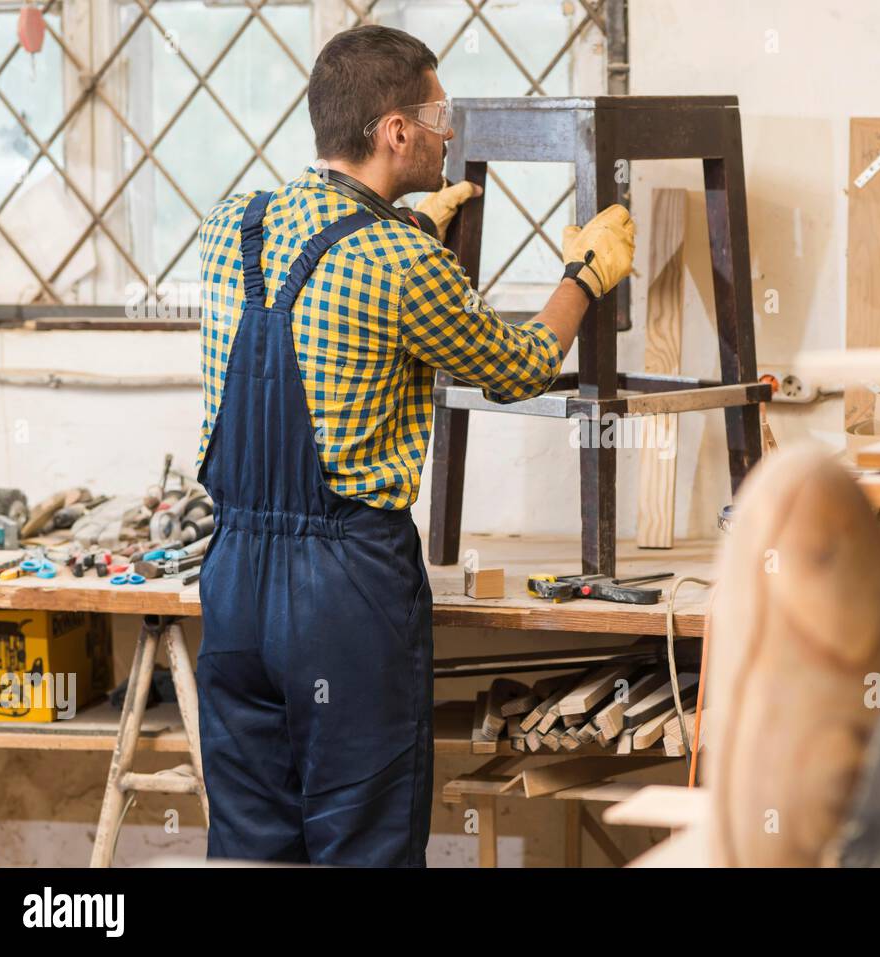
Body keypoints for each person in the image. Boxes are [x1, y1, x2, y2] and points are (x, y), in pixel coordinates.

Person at [193, 23, 635, 865]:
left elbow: (324, 298)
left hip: (236, 582)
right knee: (363, 841)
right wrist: (582, 274)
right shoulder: (400, 258)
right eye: (439, 113)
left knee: (250, 845)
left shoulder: (232, 223)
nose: (449, 131)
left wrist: (411, 228)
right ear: (395, 131)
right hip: (342, 596)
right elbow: (522, 365)